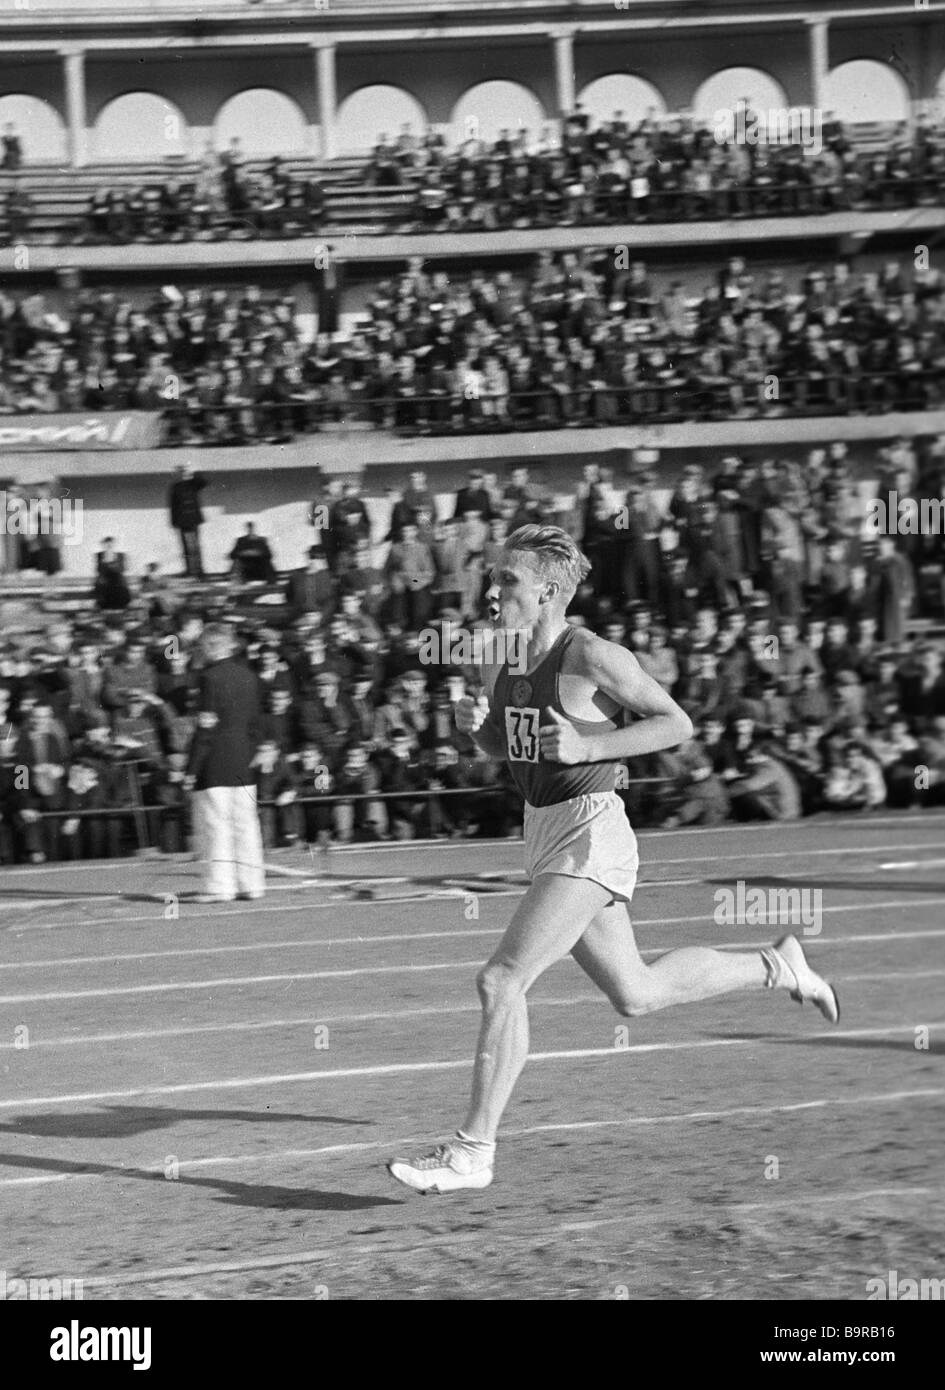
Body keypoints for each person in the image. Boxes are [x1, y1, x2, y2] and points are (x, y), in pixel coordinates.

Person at [387, 525, 840, 1193]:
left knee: (500, 981)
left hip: (591, 830)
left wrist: (588, 749)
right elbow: (505, 749)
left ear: (547, 591)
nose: (493, 590)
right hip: (542, 830)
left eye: (507, 580)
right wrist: (474, 731)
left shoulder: (592, 655)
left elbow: (675, 724)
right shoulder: (498, 656)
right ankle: (778, 965)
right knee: (635, 994)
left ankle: (472, 1151)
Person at [185, 623, 265, 902]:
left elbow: (206, 726)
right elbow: (256, 723)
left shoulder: (209, 678)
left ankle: (219, 886)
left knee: (215, 825)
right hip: (244, 759)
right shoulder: (249, 675)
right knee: (246, 824)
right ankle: (251, 884)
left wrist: (191, 768)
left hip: (216, 760)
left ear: (210, 646)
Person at [168, 463, 207, 579]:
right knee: (185, 547)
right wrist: (174, 521)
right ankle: (189, 570)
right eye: (179, 472)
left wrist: (194, 473)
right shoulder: (175, 487)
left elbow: (203, 482)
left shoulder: (193, 484)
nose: (180, 474)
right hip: (182, 521)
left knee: (195, 546)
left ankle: (199, 571)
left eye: (182, 472)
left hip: (193, 519)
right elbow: (173, 506)